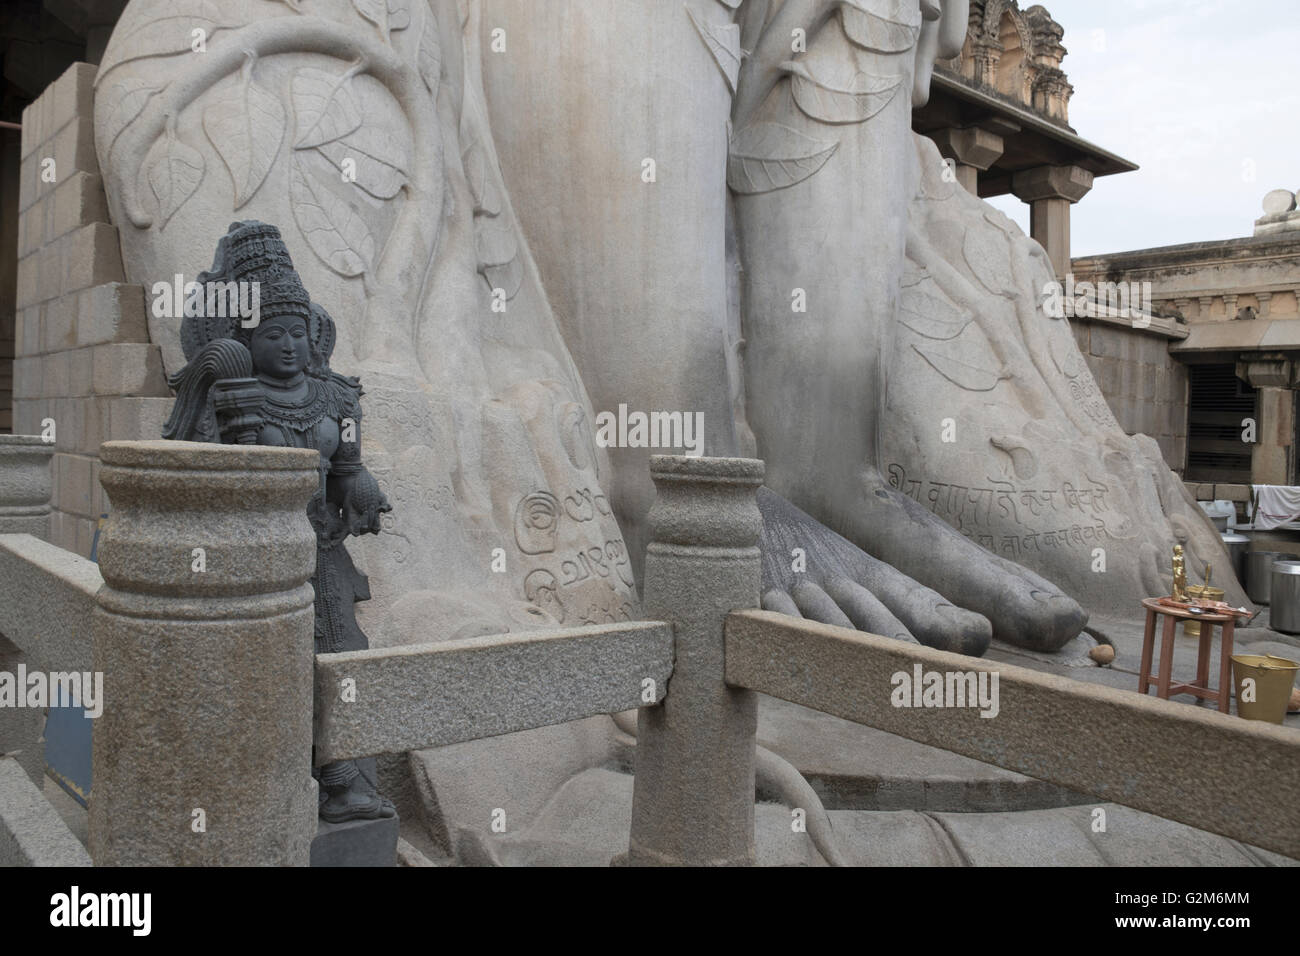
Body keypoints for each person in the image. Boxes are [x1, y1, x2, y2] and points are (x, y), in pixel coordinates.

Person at [163, 221, 395, 823]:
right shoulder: (231, 389)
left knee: (333, 649)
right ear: (247, 335)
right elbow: (202, 474)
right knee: (251, 664)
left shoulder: (335, 396)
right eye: (272, 335)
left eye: (297, 333)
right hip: (250, 553)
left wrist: (359, 481)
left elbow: (347, 462)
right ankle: (250, 779)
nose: (288, 346)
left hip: (318, 549)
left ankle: (339, 774)